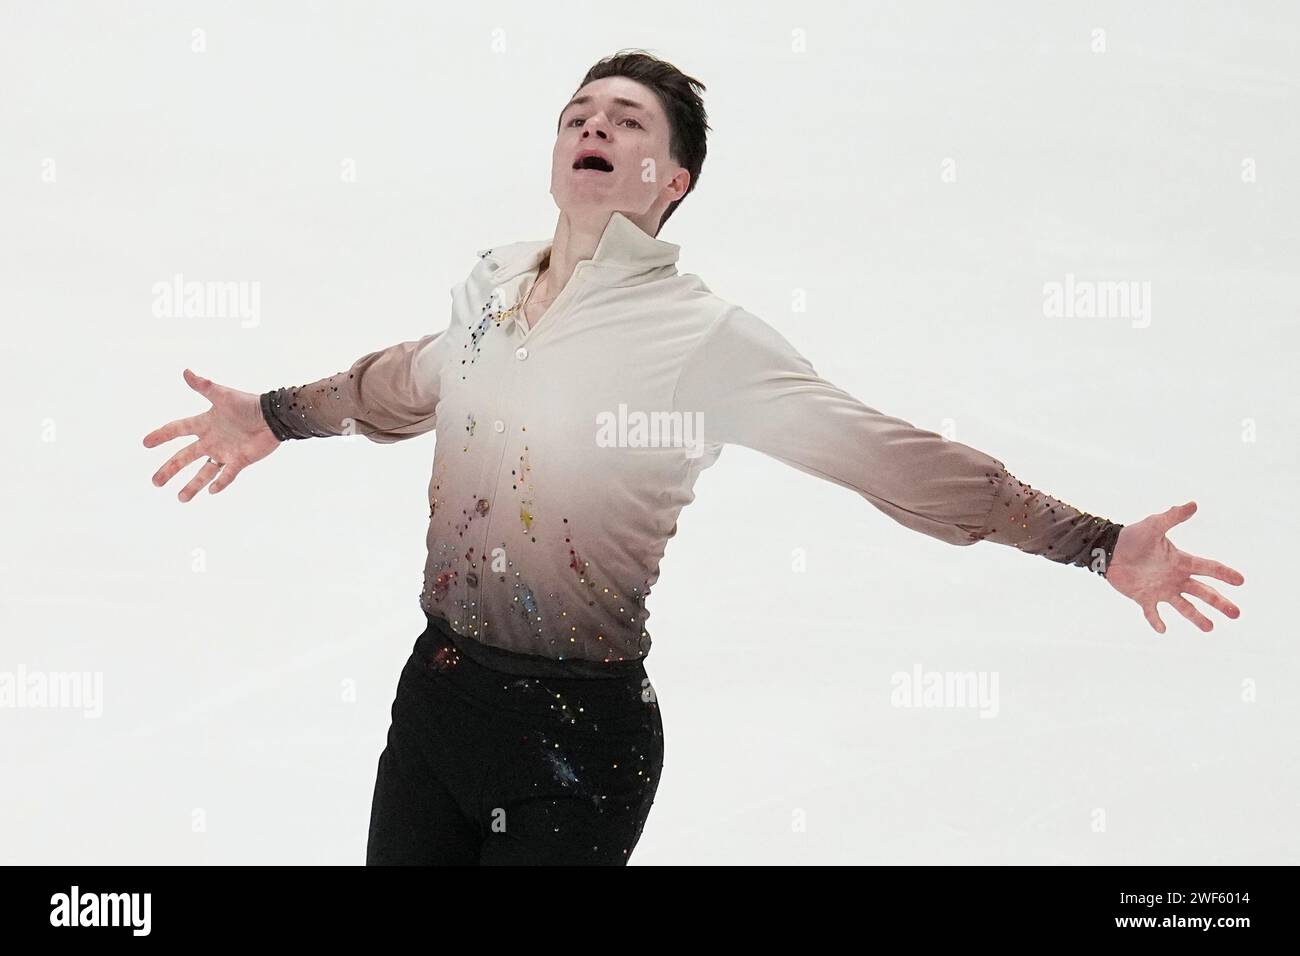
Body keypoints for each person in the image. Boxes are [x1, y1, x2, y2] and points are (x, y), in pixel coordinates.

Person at [142, 49, 1245, 865]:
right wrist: (277, 414)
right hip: (435, 706)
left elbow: (891, 458)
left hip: (577, 741)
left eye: (626, 120)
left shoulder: (697, 340)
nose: (595, 125)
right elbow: (404, 381)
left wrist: (1094, 542)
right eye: (579, 114)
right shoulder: (491, 291)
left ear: (670, 179)